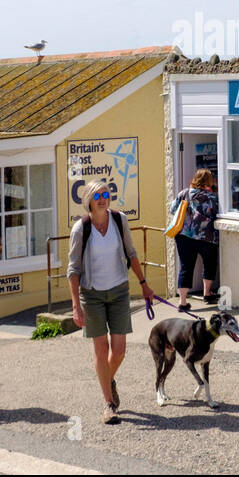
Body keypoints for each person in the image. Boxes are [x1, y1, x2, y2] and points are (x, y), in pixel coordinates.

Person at [68, 179, 156, 424]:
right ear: (89, 201)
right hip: (92, 294)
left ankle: (107, 379)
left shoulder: (119, 220)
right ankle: (109, 404)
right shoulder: (81, 229)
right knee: (101, 349)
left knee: (118, 351)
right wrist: (76, 305)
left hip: (118, 290)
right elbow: (73, 270)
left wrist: (144, 284)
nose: (103, 198)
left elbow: (131, 253)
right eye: (97, 196)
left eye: (106, 194)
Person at [171, 169, 220, 311]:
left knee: (186, 268)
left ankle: (183, 302)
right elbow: (217, 214)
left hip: (184, 237)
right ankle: (207, 293)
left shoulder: (184, 193)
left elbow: (172, 209)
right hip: (206, 237)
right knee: (209, 264)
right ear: (209, 181)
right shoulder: (211, 197)